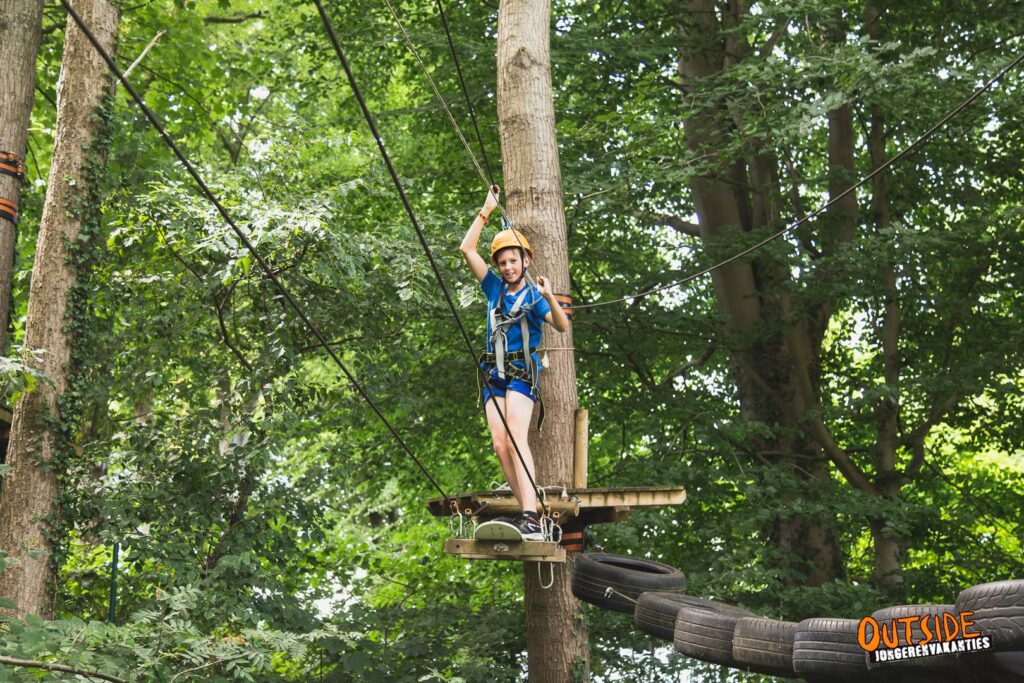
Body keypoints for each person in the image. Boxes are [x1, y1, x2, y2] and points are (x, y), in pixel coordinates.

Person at [459, 187, 570, 541]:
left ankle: (530, 515)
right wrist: (486, 210)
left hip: (522, 373)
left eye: (514, 261)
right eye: (503, 262)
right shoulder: (492, 289)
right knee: (500, 443)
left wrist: (550, 295)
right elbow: (466, 249)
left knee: (517, 438)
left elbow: (562, 325)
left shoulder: (535, 296)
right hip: (494, 374)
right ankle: (529, 511)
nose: (508, 267)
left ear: (525, 261)